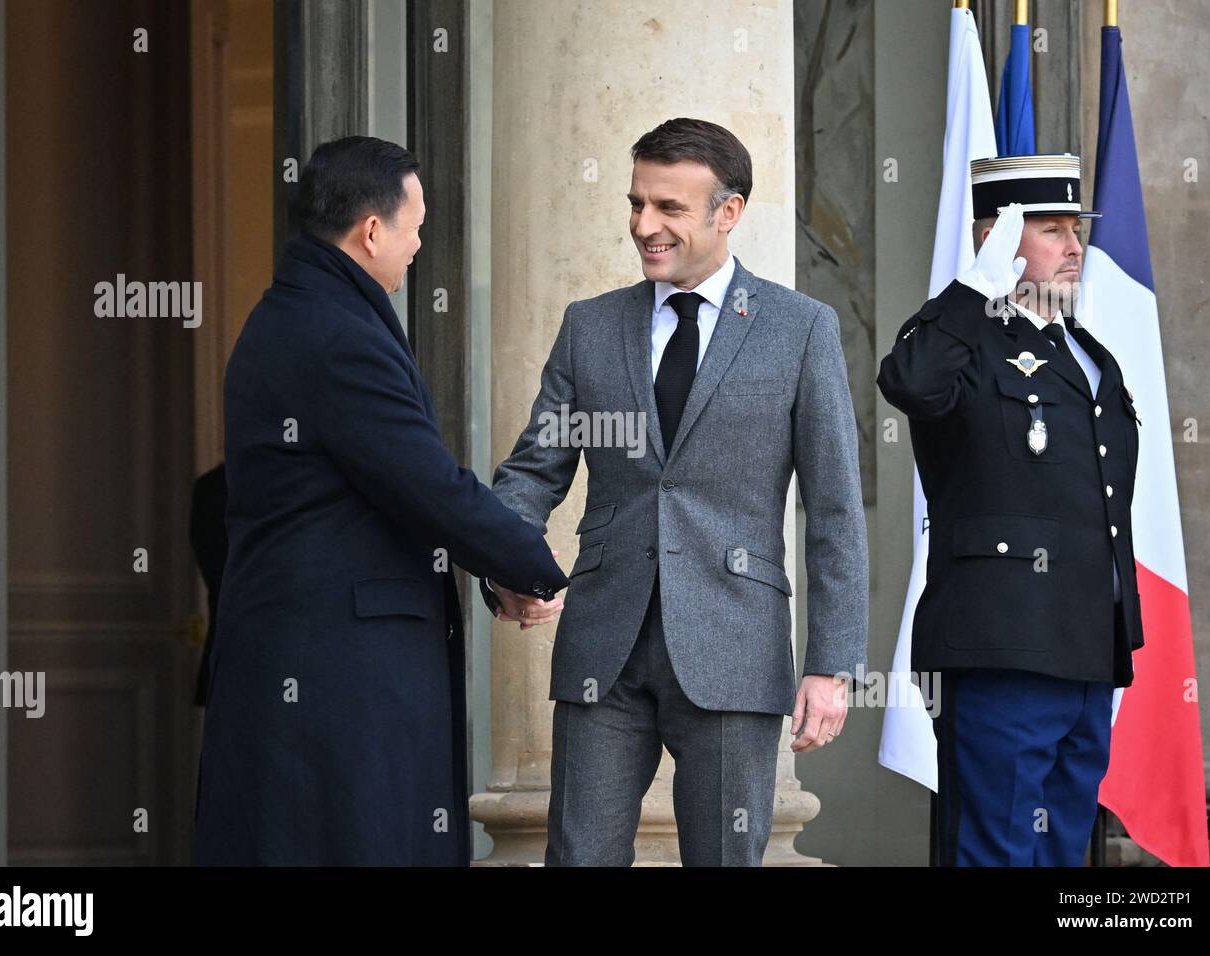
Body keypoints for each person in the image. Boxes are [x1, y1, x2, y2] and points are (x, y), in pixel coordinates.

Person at [481, 118, 868, 866]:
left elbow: (834, 509)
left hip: (735, 645)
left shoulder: (801, 329)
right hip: (604, 641)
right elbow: (535, 470)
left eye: (668, 209)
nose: (644, 226)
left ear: (730, 213)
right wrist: (504, 560)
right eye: (636, 204)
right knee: (578, 857)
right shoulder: (590, 327)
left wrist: (831, 663)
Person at [193, 136, 568, 866]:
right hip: (338, 673)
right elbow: (425, 483)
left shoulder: (302, 312)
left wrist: (498, 572)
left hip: (315, 661)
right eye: (416, 226)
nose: (419, 245)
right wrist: (532, 566)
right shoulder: (337, 333)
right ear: (372, 231)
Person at [877, 154, 1144, 866]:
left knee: (1061, 851)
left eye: (1075, 229)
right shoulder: (966, 343)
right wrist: (975, 288)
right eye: (1051, 230)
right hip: (1000, 646)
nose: (1073, 246)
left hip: (1087, 647)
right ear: (997, 238)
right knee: (992, 849)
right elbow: (909, 382)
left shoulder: (1088, 354)